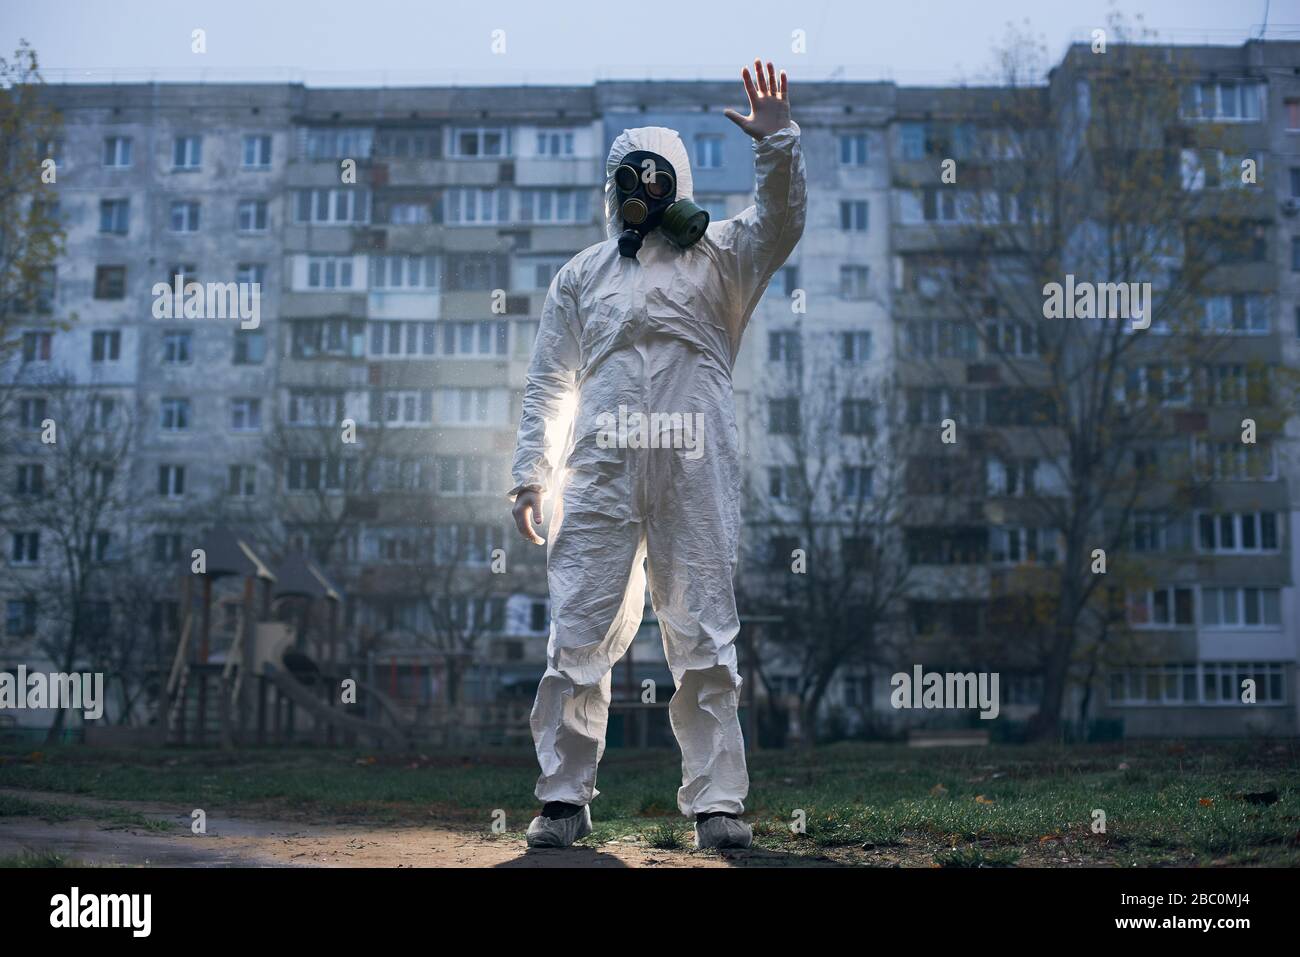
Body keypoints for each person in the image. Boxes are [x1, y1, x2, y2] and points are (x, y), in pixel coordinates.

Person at [508, 59, 806, 850]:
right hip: (600, 464)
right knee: (578, 630)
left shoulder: (723, 256)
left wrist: (778, 143)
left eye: (657, 176)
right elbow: (548, 381)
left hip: (693, 460)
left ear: (677, 179)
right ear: (617, 192)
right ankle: (564, 798)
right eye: (632, 180)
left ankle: (717, 803)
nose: (645, 188)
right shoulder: (583, 275)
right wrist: (531, 473)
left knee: (704, 631)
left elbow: (779, 220)